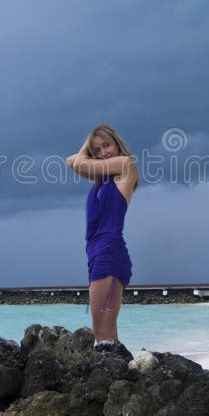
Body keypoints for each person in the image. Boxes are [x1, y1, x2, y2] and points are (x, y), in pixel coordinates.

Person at [66, 124, 138, 345]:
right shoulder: (102, 179)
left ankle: (113, 375)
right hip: (96, 254)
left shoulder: (126, 165)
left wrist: (89, 150)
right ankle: (121, 376)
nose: (103, 153)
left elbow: (77, 162)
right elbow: (71, 161)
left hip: (109, 252)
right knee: (107, 335)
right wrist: (90, 143)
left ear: (117, 143)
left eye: (107, 145)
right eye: (96, 150)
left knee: (102, 335)